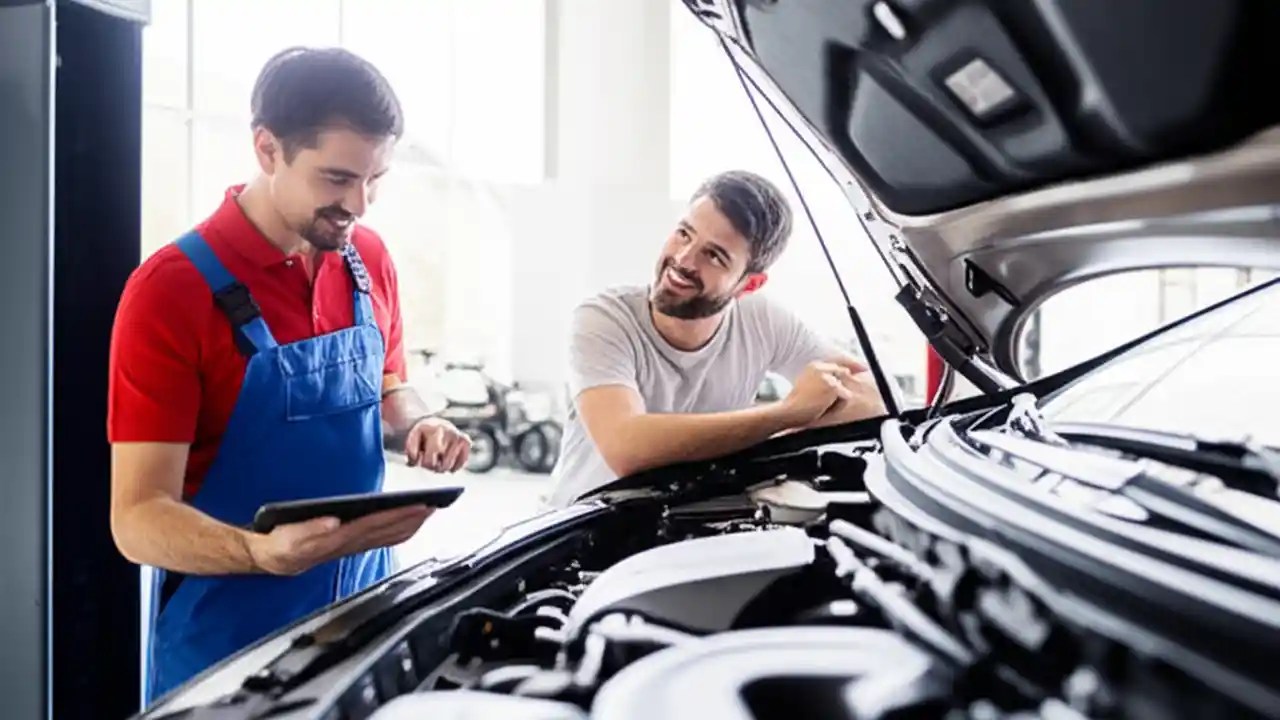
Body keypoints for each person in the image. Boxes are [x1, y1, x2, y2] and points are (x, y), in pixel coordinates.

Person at [107, 47, 472, 701]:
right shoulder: (169, 292)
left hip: (366, 612)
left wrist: (422, 420)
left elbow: (390, 381)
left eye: (375, 178)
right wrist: (257, 552)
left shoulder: (365, 256)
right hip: (229, 646)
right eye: (337, 179)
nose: (360, 204)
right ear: (267, 148)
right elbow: (136, 519)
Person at [546, 170, 886, 508]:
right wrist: (786, 413)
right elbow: (627, 449)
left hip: (680, 531)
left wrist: (779, 431)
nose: (683, 260)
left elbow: (877, 394)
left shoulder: (762, 320)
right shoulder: (603, 318)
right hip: (577, 533)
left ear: (748, 285)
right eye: (683, 234)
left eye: (714, 255)